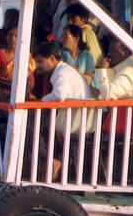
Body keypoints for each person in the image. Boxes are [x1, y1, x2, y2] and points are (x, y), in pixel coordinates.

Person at [33, 41, 91, 181]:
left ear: (52, 59)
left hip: (73, 119)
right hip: (78, 117)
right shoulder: (66, 69)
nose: (38, 66)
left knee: (30, 125)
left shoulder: (61, 73)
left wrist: (43, 101)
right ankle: (56, 158)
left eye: (40, 61)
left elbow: (60, 94)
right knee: (42, 124)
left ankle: (47, 161)